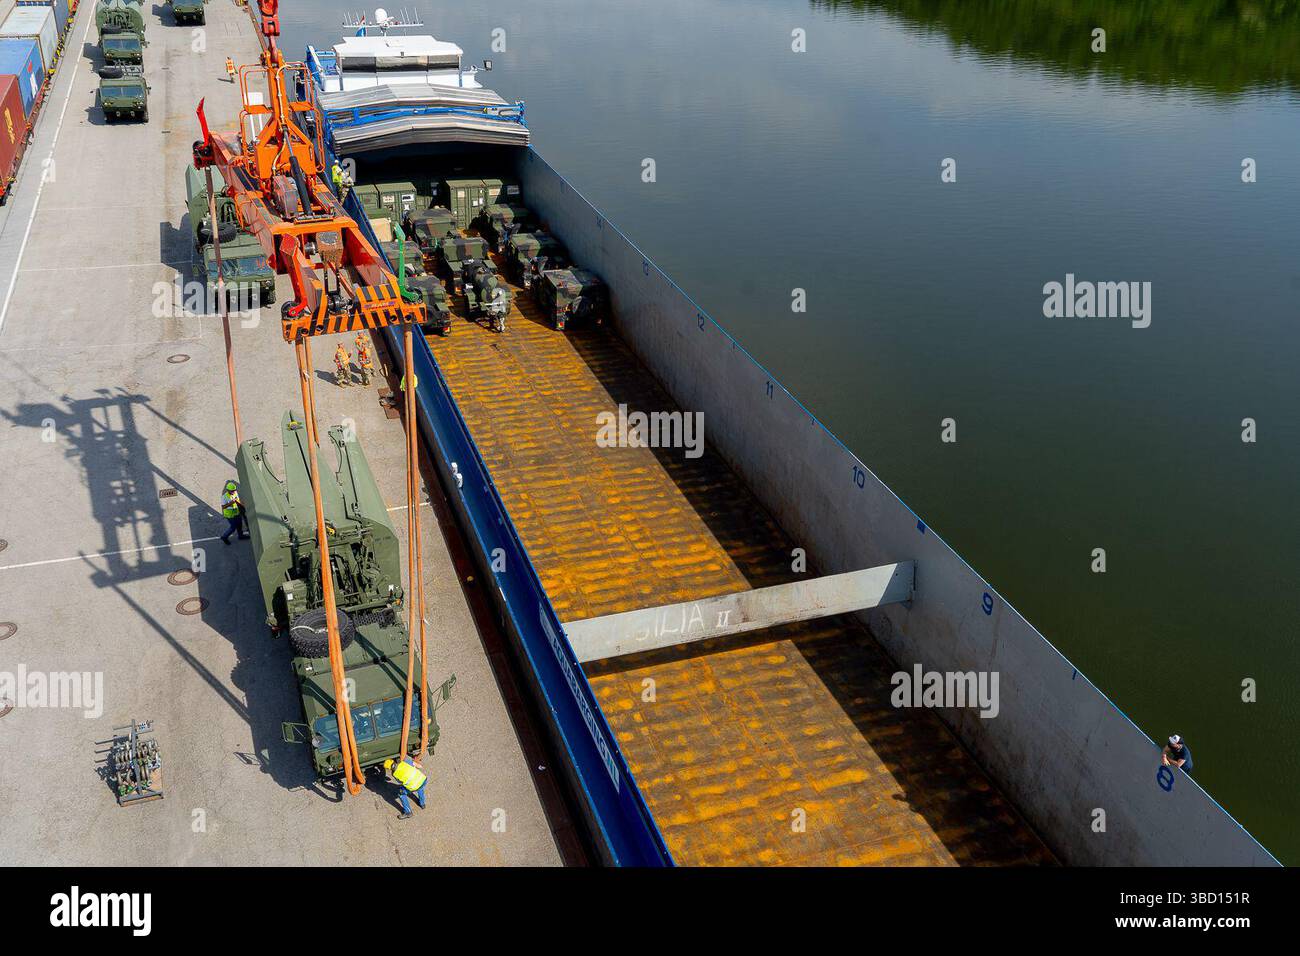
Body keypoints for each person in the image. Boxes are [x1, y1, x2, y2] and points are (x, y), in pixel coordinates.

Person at [219, 480, 248, 544]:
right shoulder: (224, 497)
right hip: (230, 515)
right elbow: (223, 507)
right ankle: (224, 537)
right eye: (232, 491)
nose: (233, 492)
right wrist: (231, 503)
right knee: (233, 527)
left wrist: (242, 506)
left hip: (237, 512)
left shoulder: (235, 493)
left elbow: (237, 500)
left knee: (239, 525)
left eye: (234, 490)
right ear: (228, 490)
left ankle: (240, 536)